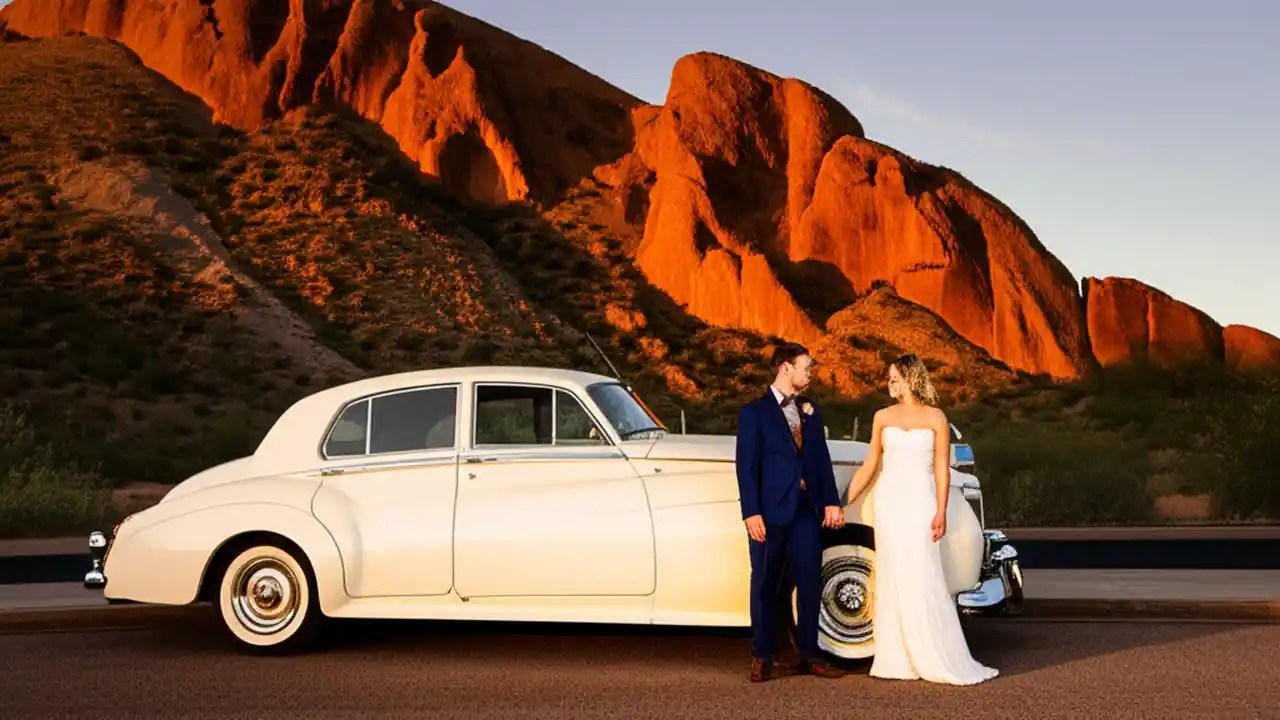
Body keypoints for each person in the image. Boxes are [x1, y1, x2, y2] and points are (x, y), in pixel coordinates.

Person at [844, 354, 999, 685]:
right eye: (888, 379)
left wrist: (940, 510)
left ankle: (932, 653)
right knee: (892, 573)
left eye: (895, 379)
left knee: (921, 571)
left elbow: (942, 469)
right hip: (890, 500)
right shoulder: (882, 416)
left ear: (910, 378)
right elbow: (871, 463)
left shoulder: (936, 417)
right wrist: (845, 500)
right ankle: (896, 658)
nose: (890, 385)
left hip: (920, 501)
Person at [735, 341, 846, 682]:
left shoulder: (812, 409)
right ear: (786, 368)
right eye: (806, 367)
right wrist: (751, 512)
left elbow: (819, 459)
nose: (810, 373)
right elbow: (746, 466)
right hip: (768, 512)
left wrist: (831, 501)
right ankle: (762, 655)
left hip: (806, 510)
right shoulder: (754, 413)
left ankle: (809, 655)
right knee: (765, 581)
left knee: (810, 580)